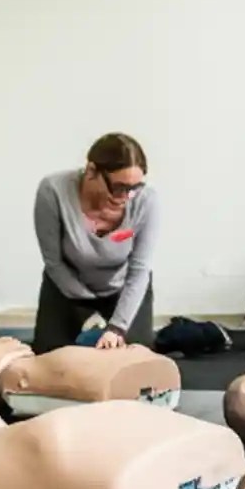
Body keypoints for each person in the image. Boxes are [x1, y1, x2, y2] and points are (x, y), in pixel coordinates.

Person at [31, 132, 157, 354]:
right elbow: (54, 263)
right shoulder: (53, 191)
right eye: (119, 187)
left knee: (133, 363)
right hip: (67, 290)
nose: (126, 197)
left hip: (122, 290)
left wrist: (116, 327)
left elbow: (139, 270)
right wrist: (87, 313)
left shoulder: (146, 200)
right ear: (91, 171)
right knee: (50, 361)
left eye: (134, 189)